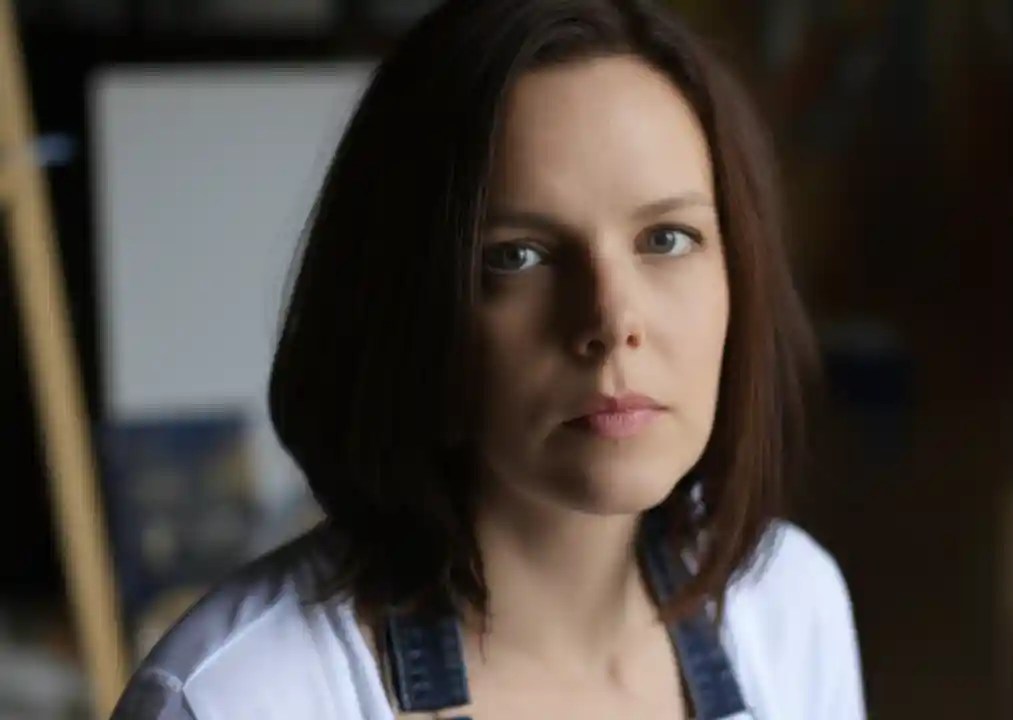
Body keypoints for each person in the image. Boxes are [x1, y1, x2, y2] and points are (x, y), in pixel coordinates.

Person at [111, 0, 866, 717]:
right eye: (520, 255)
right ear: (404, 304)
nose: (611, 321)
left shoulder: (789, 608)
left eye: (665, 239)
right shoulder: (236, 701)